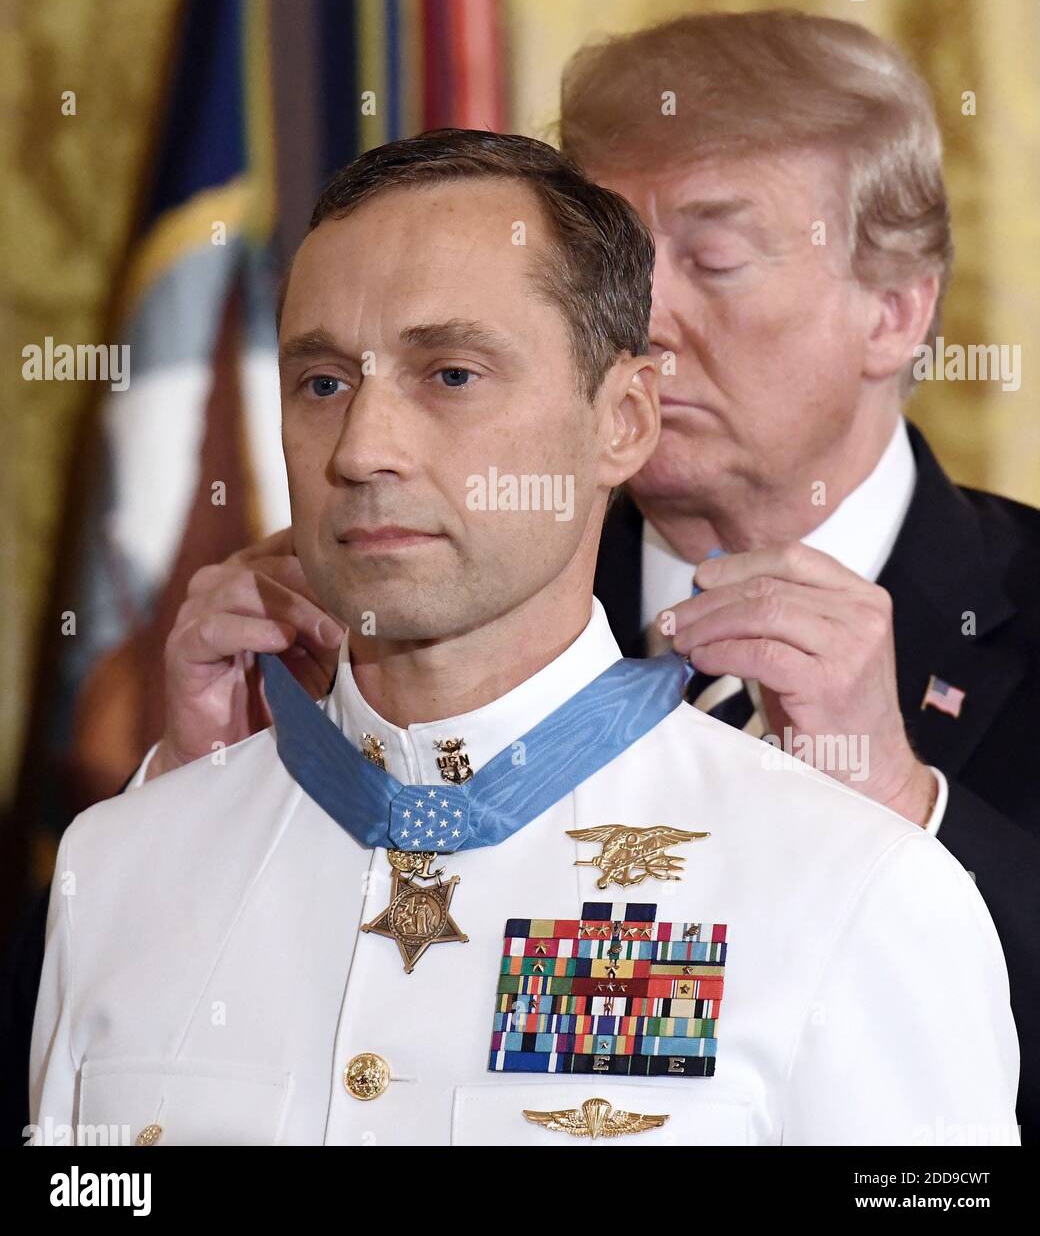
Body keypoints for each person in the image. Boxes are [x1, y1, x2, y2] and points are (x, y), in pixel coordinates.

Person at [28, 129, 1018, 1146]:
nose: (363, 450)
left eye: (450, 374)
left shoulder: (848, 886)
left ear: (623, 418)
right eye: (322, 383)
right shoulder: (121, 864)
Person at [560, 11, 1040, 1142]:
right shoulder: (475, 614)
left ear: (893, 310)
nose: (638, 320)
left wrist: (896, 799)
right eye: (611, 267)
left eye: (710, 260)